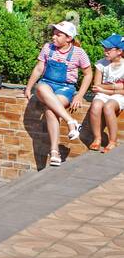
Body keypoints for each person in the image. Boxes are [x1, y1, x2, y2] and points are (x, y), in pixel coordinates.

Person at [24, 21, 91, 166]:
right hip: (47, 84)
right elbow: (38, 68)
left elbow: (88, 74)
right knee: (40, 87)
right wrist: (28, 88)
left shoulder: (79, 53)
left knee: (50, 110)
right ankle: (70, 121)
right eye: (53, 34)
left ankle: (54, 151)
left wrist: (79, 95)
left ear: (68, 38)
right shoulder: (48, 48)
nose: (53, 37)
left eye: (58, 35)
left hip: (65, 88)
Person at [88, 33, 124, 152]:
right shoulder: (101, 64)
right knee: (96, 105)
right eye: (105, 48)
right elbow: (96, 85)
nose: (105, 51)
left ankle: (112, 141)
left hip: (119, 96)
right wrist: (116, 87)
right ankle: (97, 138)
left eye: (109, 49)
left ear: (119, 51)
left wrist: (106, 88)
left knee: (108, 107)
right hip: (104, 93)